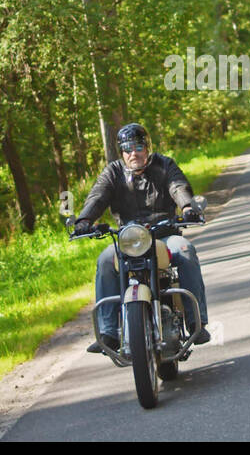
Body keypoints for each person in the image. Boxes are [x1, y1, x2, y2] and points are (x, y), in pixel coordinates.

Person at [72, 122, 211, 354]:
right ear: (121, 152)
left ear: (147, 147)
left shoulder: (164, 165)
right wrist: (84, 221)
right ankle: (108, 332)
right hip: (129, 240)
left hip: (164, 235)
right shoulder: (113, 172)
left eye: (138, 147)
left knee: (185, 250)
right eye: (127, 149)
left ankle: (196, 322)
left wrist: (187, 208)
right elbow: (97, 197)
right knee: (105, 261)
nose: (133, 153)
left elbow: (178, 186)